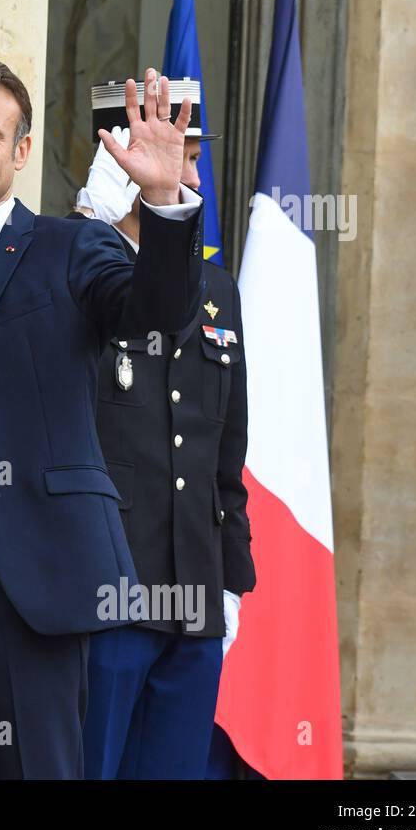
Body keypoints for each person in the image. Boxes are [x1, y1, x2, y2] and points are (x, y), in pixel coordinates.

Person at [0, 59, 203, 779]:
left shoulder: (72, 248)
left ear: (20, 151)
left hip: (32, 587)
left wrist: (164, 201)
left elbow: (154, 316)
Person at [69, 79, 256, 779]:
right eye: (174, 153)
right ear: (117, 156)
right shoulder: (68, 268)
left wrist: (231, 576)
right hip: (105, 597)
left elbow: (223, 446)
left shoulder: (218, 289)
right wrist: (92, 223)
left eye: (194, 156)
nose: (192, 177)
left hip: (193, 596)